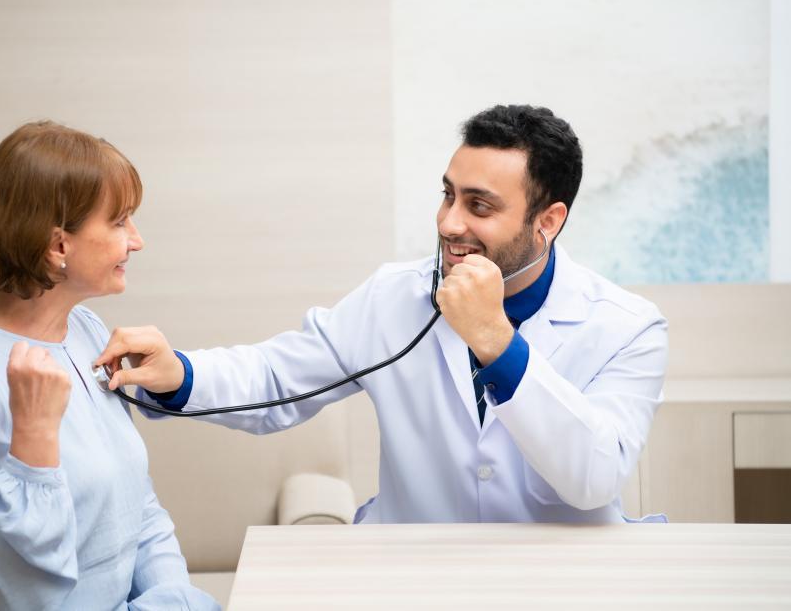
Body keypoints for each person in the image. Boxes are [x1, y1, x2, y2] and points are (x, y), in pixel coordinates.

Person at [97, 105, 669, 524]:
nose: (449, 223)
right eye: (449, 195)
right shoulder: (394, 297)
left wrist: (497, 341)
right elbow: (276, 380)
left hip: (564, 584)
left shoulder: (627, 328)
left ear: (547, 221)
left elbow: (593, 480)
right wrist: (180, 376)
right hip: (413, 578)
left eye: (480, 206)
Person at [0, 121, 219, 610]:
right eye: (120, 222)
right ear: (59, 245)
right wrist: (35, 440)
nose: (136, 241)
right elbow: (13, 598)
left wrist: (173, 599)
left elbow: (139, 511)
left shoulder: (87, 331)